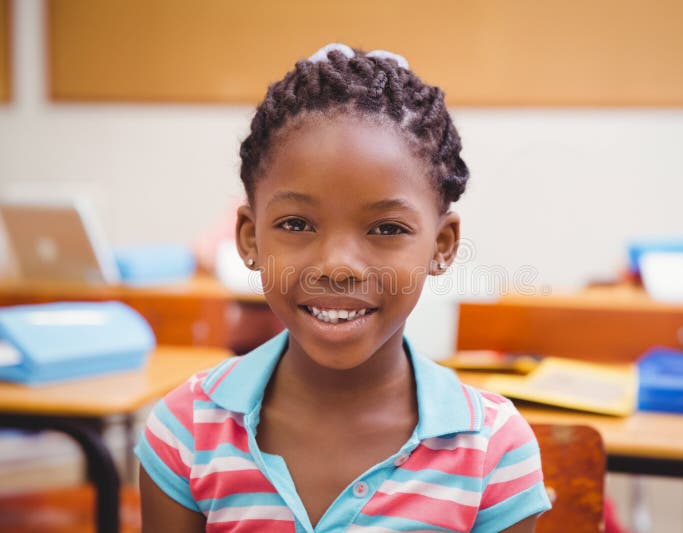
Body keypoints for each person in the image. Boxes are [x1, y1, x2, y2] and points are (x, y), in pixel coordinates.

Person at [135, 43, 552, 532]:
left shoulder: (493, 452)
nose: (338, 266)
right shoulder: (186, 432)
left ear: (442, 245)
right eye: (296, 223)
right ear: (249, 238)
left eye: (387, 229)